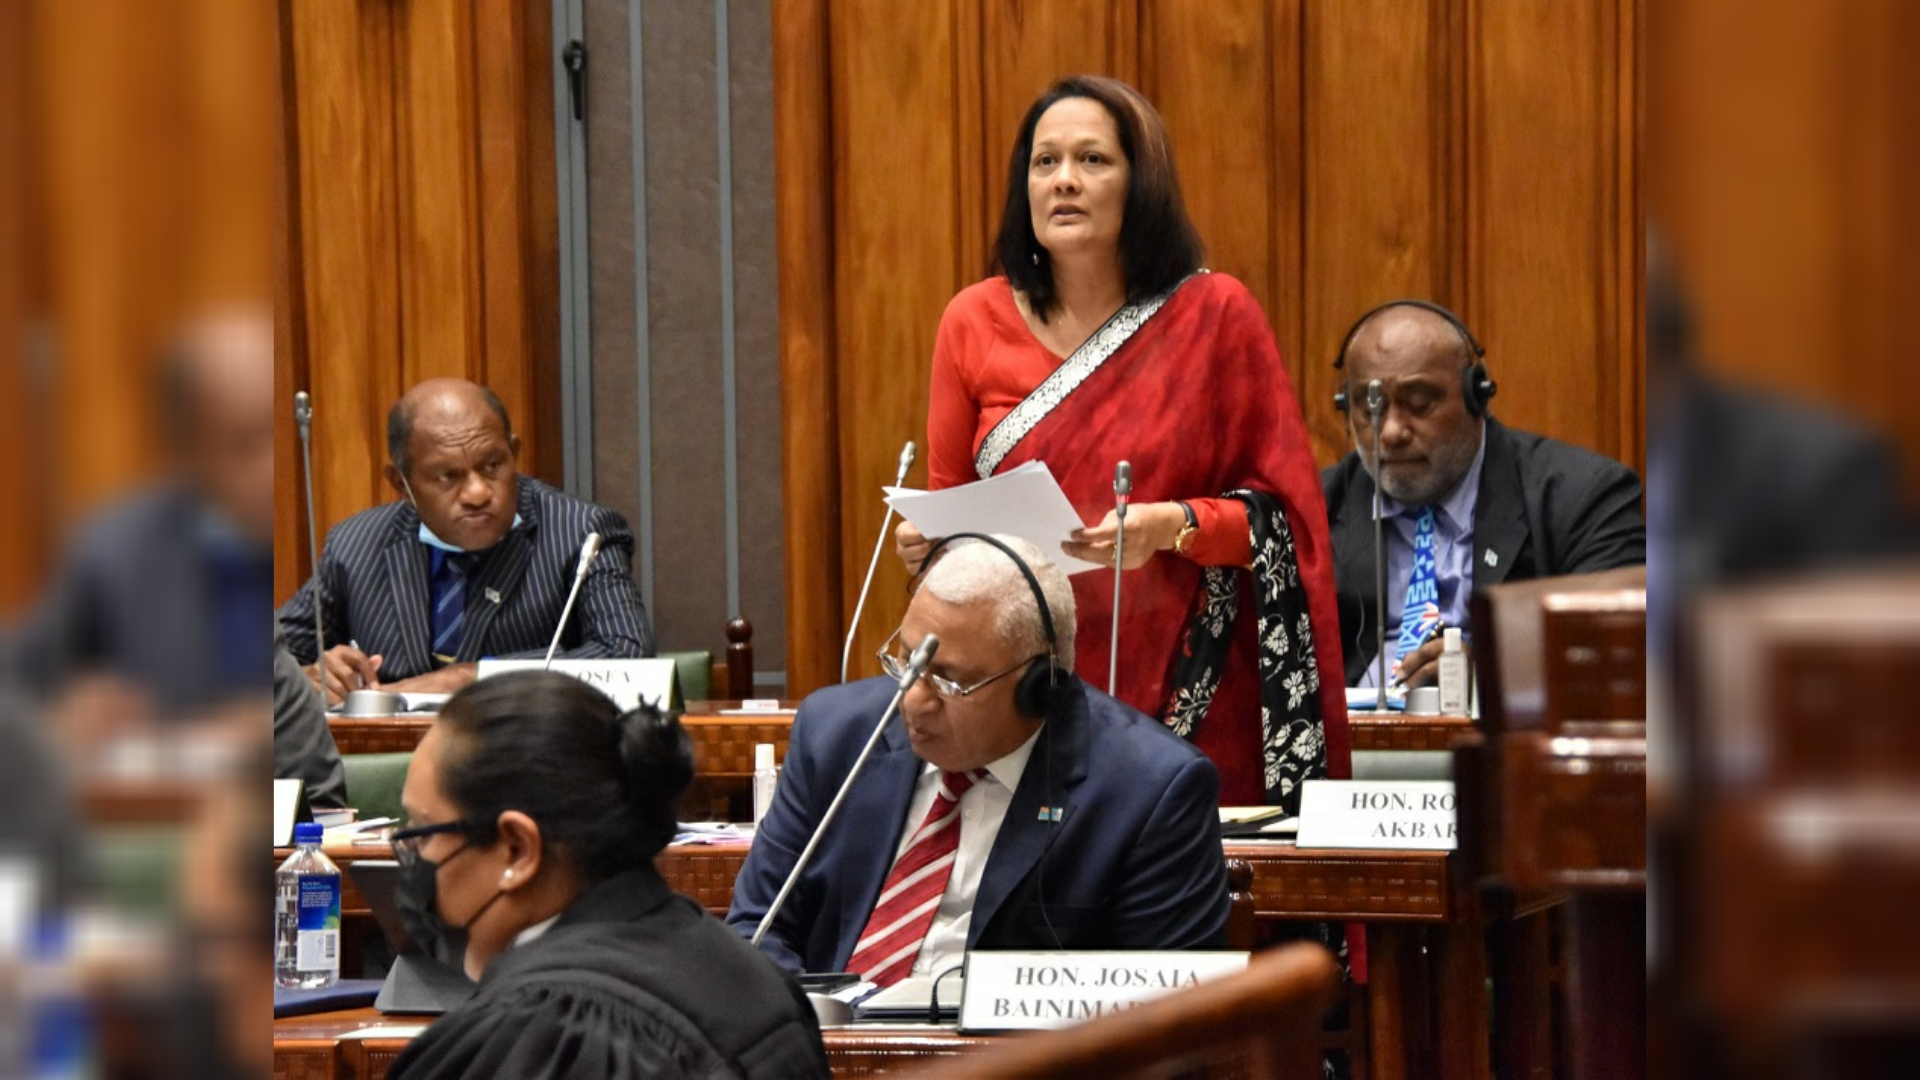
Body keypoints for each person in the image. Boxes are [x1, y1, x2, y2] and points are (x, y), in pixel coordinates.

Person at [893, 74, 1347, 809]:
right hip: (1021, 690)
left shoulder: (1215, 315)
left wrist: (1179, 526)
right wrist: (929, 542)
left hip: (1190, 694)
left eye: (1093, 160)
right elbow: (949, 509)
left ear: (1143, 182)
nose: (1064, 181)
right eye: (1045, 163)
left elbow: (1290, 529)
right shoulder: (972, 320)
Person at [730, 535, 1230, 983]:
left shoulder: (1150, 788)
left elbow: (1169, 1019)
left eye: (949, 680)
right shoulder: (836, 735)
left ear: (1040, 687)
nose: (913, 701)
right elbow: (755, 932)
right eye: (906, 662)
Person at [385, 671, 828, 1080]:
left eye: (422, 832)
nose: (413, 855)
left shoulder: (544, 1038)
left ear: (517, 849)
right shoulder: (751, 975)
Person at [1322, 299, 1647, 688]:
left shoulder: (1580, 496)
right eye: (1369, 407)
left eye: (1419, 403)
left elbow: (1621, 649)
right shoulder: (1314, 507)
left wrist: (1498, 680)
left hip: (1504, 740)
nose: (1391, 431)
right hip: (1356, 743)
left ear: (1477, 397)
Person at [275, 378, 654, 704]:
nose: (476, 493)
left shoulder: (581, 533)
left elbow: (627, 655)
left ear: (515, 454)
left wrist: (462, 679)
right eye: (448, 476)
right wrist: (309, 675)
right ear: (401, 484)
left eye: (492, 466)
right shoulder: (357, 546)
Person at [15, 308, 276, 718]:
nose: (273, 469)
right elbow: (17, 689)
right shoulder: (117, 556)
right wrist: (54, 723)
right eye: (244, 445)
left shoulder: (317, 540)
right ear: (186, 451)